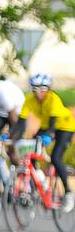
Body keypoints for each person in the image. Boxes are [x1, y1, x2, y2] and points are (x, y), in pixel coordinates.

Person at [13, 73, 75, 213]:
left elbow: (53, 125)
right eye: (34, 89)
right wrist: (12, 136)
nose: (38, 93)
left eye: (41, 89)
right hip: (47, 127)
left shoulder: (53, 99)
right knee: (30, 152)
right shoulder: (29, 99)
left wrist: (49, 135)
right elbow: (21, 121)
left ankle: (68, 192)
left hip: (65, 127)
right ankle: (40, 180)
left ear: (47, 89)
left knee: (55, 157)